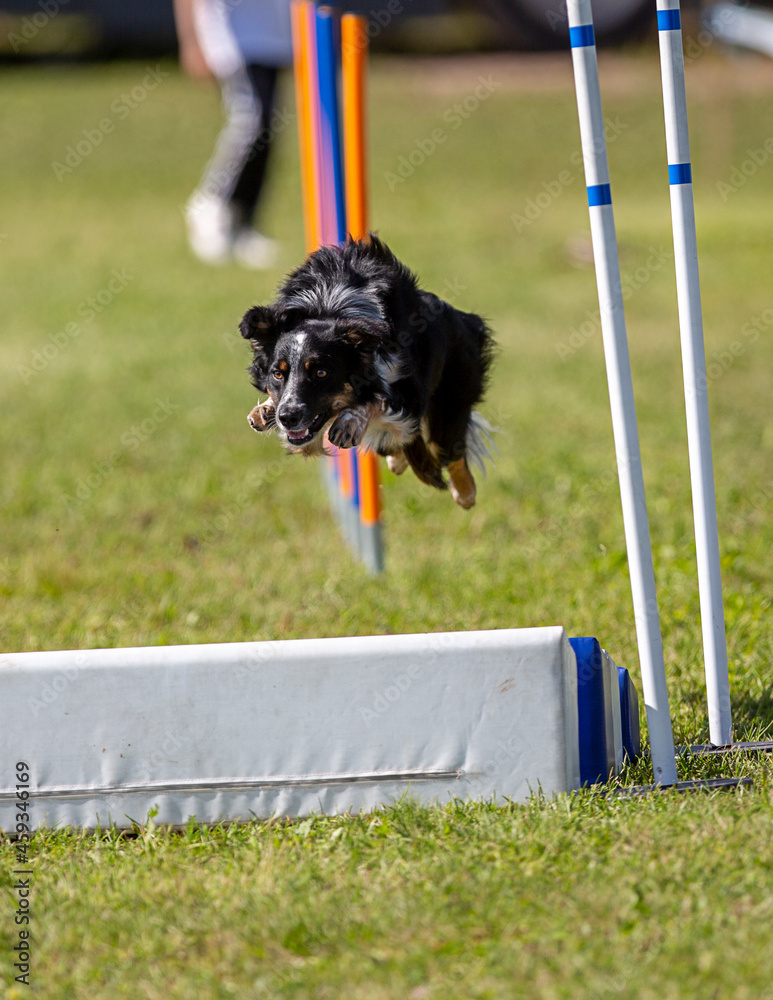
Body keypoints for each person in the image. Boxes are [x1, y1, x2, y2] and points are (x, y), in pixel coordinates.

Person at [173, 0, 293, 269]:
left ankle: (243, 221)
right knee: (252, 121)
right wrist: (191, 39)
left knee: (267, 129)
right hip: (234, 38)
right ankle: (211, 203)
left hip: (273, 37)